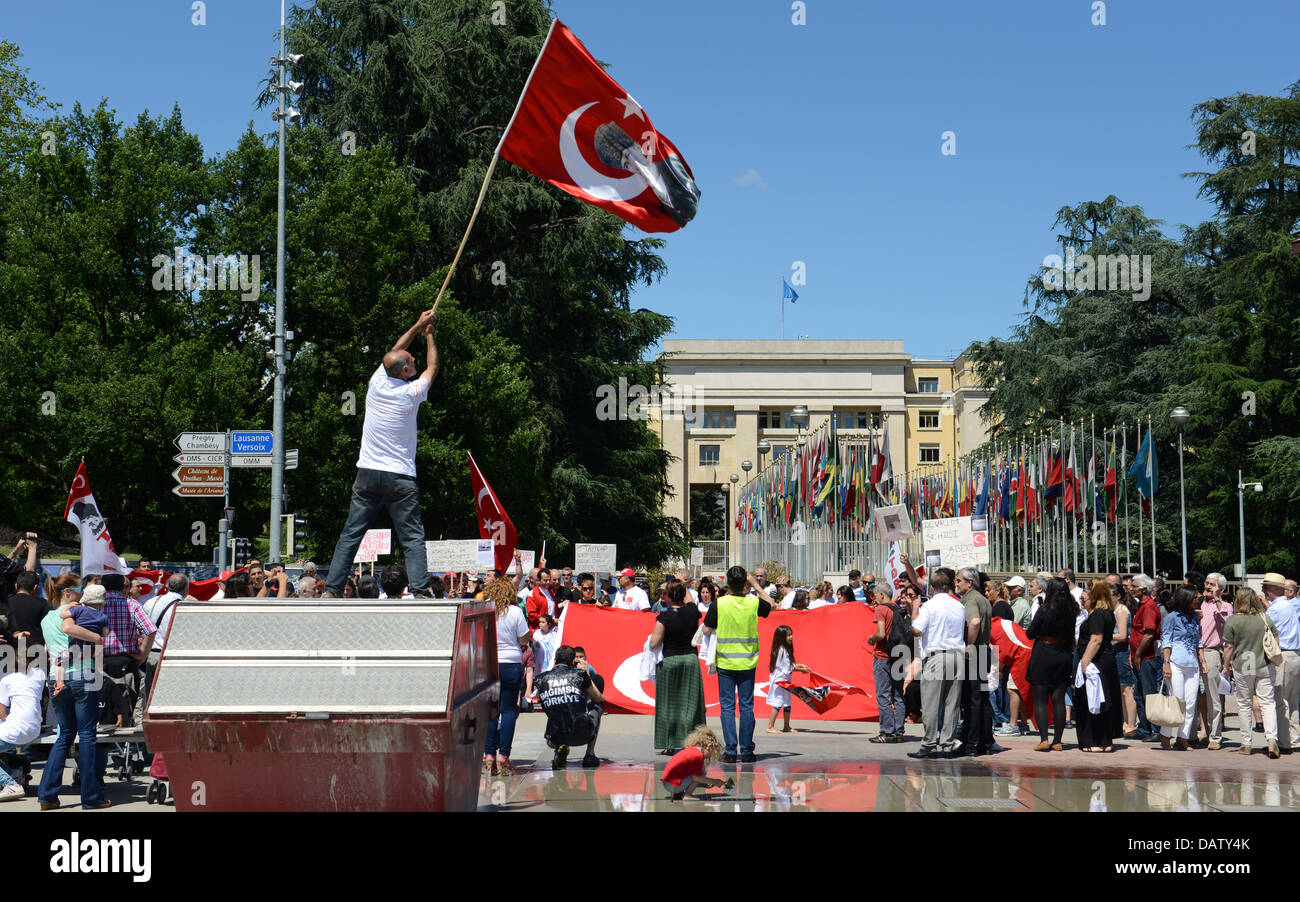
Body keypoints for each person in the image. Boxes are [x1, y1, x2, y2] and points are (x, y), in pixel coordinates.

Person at [322, 308, 439, 597]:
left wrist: (417, 324)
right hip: (399, 477)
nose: (413, 360)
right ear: (405, 372)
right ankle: (422, 591)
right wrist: (430, 335)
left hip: (368, 475)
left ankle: (332, 590)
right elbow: (433, 368)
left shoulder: (377, 382)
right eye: (411, 362)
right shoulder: (411, 394)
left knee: (351, 534)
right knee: (411, 537)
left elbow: (396, 351)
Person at [37, 583, 110, 809]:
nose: (82, 596)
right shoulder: (80, 614)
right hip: (82, 674)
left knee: (65, 735)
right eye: (79, 591)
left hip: (56, 677)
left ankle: (47, 796)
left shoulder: (46, 619)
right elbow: (73, 630)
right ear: (68, 592)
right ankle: (91, 798)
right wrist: (97, 639)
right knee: (87, 735)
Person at [701, 566, 774, 763]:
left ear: (727, 583)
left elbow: (706, 630)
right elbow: (772, 605)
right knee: (747, 707)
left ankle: (731, 751)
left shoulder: (720, 603)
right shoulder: (753, 602)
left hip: (725, 662)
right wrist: (756, 586)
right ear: (745, 583)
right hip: (747, 662)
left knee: (727, 707)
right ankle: (748, 751)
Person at [906, 568, 967, 759]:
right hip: (957, 655)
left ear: (932, 588)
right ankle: (948, 744)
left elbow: (917, 629)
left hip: (936, 655)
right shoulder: (959, 605)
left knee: (931, 703)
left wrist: (914, 613)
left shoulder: (930, 606)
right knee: (952, 703)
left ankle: (929, 743)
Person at [649, 581, 706, 754]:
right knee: (692, 704)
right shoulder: (692, 612)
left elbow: (654, 643)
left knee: (668, 704)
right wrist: (684, 584)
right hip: (690, 660)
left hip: (670, 661)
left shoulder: (664, 617)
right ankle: (694, 741)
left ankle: (668, 743)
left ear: (668, 595)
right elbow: (689, 599)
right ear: (682, 595)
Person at [1223, 588, 1279, 757]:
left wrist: (1226, 666)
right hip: (1264, 664)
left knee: (1244, 704)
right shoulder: (1264, 618)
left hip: (1243, 665)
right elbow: (1275, 640)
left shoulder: (1232, 621)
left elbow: (1229, 647)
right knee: (1267, 702)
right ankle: (1271, 739)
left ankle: (1246, 743)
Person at [99, 573, 157, 732]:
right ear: (123, 587)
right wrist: (142, 655)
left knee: (100, 705)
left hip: (99, 663)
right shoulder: (133, 605)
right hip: (126, 663)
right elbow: (151, 631)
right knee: (127, 706)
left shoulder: (95, 606)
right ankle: (124, 745)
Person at [484, 577, 531, 776]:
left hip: (488, 663)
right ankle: (504, 755)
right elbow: (524, 639)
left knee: (491, 712)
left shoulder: (485, 610)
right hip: (511, 662)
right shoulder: (516, 611)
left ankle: (489, 755)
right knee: (509, 710)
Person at [1027, 578, 1077, 751]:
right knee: (1058, 699)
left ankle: (1043, 739)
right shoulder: (1071, 611)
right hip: (1063, 655)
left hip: (1043, 654)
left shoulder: (1044, 610)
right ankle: (1057, 740)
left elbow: (1030, 633)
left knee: (1040, 699)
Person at [536, 645, 603, 769]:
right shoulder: (580, 674)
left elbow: (539, 698)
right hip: (582, 734)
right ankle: (589, 754)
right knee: (598, 706)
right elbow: (599, 698)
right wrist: (586, 674)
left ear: (555, 661)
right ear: (573, 661)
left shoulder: (541, 679)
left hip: (553, 736)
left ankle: (560, 748)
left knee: (556, 706)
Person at [1075, 580, 1122, 752]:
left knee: (1092, 700)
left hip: (1096, 662)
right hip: (1105, 661)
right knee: (1103, 700)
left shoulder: (1098, 615)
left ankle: (1093, 741)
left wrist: (1085, 662)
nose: (1083, 596)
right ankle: (1105, 740)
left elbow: (1096, 640)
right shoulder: (1107, 613)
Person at [1158, 586, 1206, 751]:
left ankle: (1182, 738)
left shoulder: (1193, 617)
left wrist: (1203, 660)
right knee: (1176, 702)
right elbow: (1166, 640)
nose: (1197, 600)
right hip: (1176, 663)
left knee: (1191, 703)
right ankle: (1166, 735)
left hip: (1192, 664)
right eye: (1194, 598)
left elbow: (1198, 640)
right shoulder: (1172, 617)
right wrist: (1166, 663)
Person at [955, 566, 994, 757]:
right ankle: (985, 742)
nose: (956, 584)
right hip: (983, 650)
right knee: (982, 699)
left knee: (972, 700)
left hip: (975, 652)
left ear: (969, 583)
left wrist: (969, 646)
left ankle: (971, 744)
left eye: (959, 580)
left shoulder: (970, 599)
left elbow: (975, 622)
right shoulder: (984, 599)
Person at [0, 645, 46, 800]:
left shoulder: (7, 680)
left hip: (16, 730)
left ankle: (10, 784)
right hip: (34, 728)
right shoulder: (39, 675)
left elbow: (2, 713)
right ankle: (13, 773)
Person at [1193, 572, 1232, 749]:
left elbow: (1228, 625)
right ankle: (1190, 734)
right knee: (1191, 696)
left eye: (1212, 585)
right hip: (1192, 653)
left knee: (1213, 697)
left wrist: (1217, 602)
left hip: (1211, 652)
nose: (1207, 587)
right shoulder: (1198, 602)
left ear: (1221, 589)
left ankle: (1215, 737)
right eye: (1207, 583)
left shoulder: (1225, 606)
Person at [1261, 572, 1299, 754]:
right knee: (1293, 700)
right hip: (1295, 655)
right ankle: (1295, 739)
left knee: (1280, 700)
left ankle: (1284, 742)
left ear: (1276, 589)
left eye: (1266, 587)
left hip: (1283, 655)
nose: (1263, 590)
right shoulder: (1291, 605)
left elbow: (1263, 629)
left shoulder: (1276, 609)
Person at [868, 585, 907, 743]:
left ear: (882, 594)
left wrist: (871, 639)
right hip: (898, 656)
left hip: (883, 656)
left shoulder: (881, 610)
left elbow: (881, 633)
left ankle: (887, 732)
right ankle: (898, 731)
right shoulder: (898, 608)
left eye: (876, 595)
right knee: (898, 695)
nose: (874, 598)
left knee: (883, 695)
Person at [1128, 574, 1161, 741]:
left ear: (1142, 589)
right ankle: (1145, 729)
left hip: (1147, 658)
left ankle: (1155, 730)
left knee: (1149, 693)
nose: (1131, 588)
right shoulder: (1141, 605)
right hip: (1138, 657)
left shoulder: (1148, 606)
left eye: (1134, 586)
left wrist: (1138, 654)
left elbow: (1149, 634)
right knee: (1139, 693)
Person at [661, 726, 727, 800]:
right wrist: (714, 781)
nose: (710, 756)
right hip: (673, 785)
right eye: (711, 753)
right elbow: (695, 778)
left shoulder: (690, 750)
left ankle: (678, 793)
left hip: (667, 783)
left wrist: (705, 783)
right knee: (699, 775)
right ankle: (687, 795)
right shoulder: (698, 755)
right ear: (708, 747)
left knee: (698, 773)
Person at [765, 625, 810, 733]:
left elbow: (790, 665)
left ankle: (786, 726)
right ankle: (770, 726)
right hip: (779, 682)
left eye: (791, 634)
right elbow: (788, 667)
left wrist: (801, 666)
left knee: (787, 703)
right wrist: (801, 669)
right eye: (788, 635)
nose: (791, 637)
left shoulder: (784, 649)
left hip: (785, 682)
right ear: (781, 638)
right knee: (778, 703)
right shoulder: (781, 650)